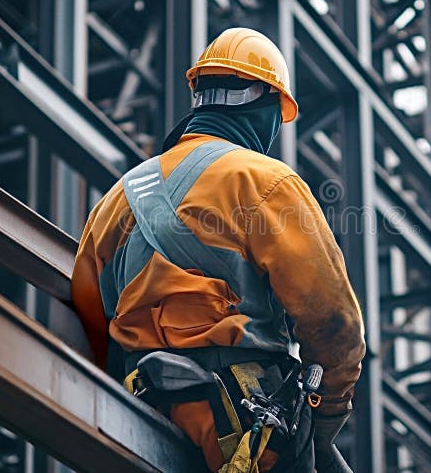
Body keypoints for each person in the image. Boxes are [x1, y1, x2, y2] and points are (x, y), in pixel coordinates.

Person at [71, 27, 365, 472]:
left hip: (136, 421)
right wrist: (323, 416)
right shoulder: (266, 182)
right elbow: (335, 322)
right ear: (266, 104)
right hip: (244, 433)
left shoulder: (116, 200)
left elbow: (89, 324)